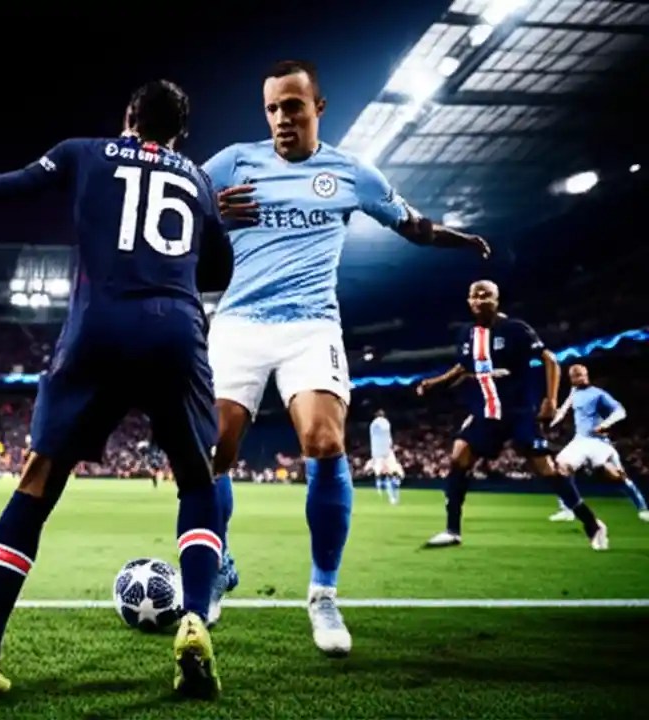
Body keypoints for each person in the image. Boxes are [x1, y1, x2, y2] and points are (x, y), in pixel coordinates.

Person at [0, 80, 234, 700]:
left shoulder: (85, 151)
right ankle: (195, 616)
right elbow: (219, 271)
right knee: (197, 480)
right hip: (177, 331)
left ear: (127, 116)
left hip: (98, 329)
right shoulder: (198, 178)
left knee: (38, 480)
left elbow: (9, 187)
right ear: (180, 134)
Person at [200, 59, 491, 656]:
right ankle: (216, 566)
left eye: (293, 106)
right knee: (214, 451)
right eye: (273, 108)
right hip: (237, 323)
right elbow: (177, 201)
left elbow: (410, 224)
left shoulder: (350, 172)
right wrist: (211, 212)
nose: (282, 118)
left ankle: (323, 594)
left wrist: (461, 239)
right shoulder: (234, 161)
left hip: (311, 326)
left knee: (325, 442)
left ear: (318, 108)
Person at [416, 280, 608, 551]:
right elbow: (462, 366)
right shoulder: (467, 334)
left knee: (546, 470)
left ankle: (591, 522)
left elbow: (550, 360)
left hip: (518, 411)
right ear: (469, 301)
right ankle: (452, 530)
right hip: (486, 411)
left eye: (487, 296)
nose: (480, 300)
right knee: (459, 455)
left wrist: (550, 400)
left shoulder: (515, 329)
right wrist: (435, 382)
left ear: (497, 300)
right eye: (475, 296)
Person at [547, 364, 648, 522]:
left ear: (586, 375)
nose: (581, 378)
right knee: (560, 466)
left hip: (598, 442)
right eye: (576, 376)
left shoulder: (598, 394)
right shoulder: (574, 393)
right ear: (571, 378)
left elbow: (621, 411)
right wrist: (552, 422)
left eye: (582, 375)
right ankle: (567, 509)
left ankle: (642, 508)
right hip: (579, 441)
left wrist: (605, 424)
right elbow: (564, 409)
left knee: (617, 476)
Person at [366, 410, 402, 505]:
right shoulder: (385, 423)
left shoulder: (373, 424)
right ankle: (392, 495)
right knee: (391, 475)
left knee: (386, 475)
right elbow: (388, 438)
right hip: (386, 452)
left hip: (378, 453)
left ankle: (386, 491)